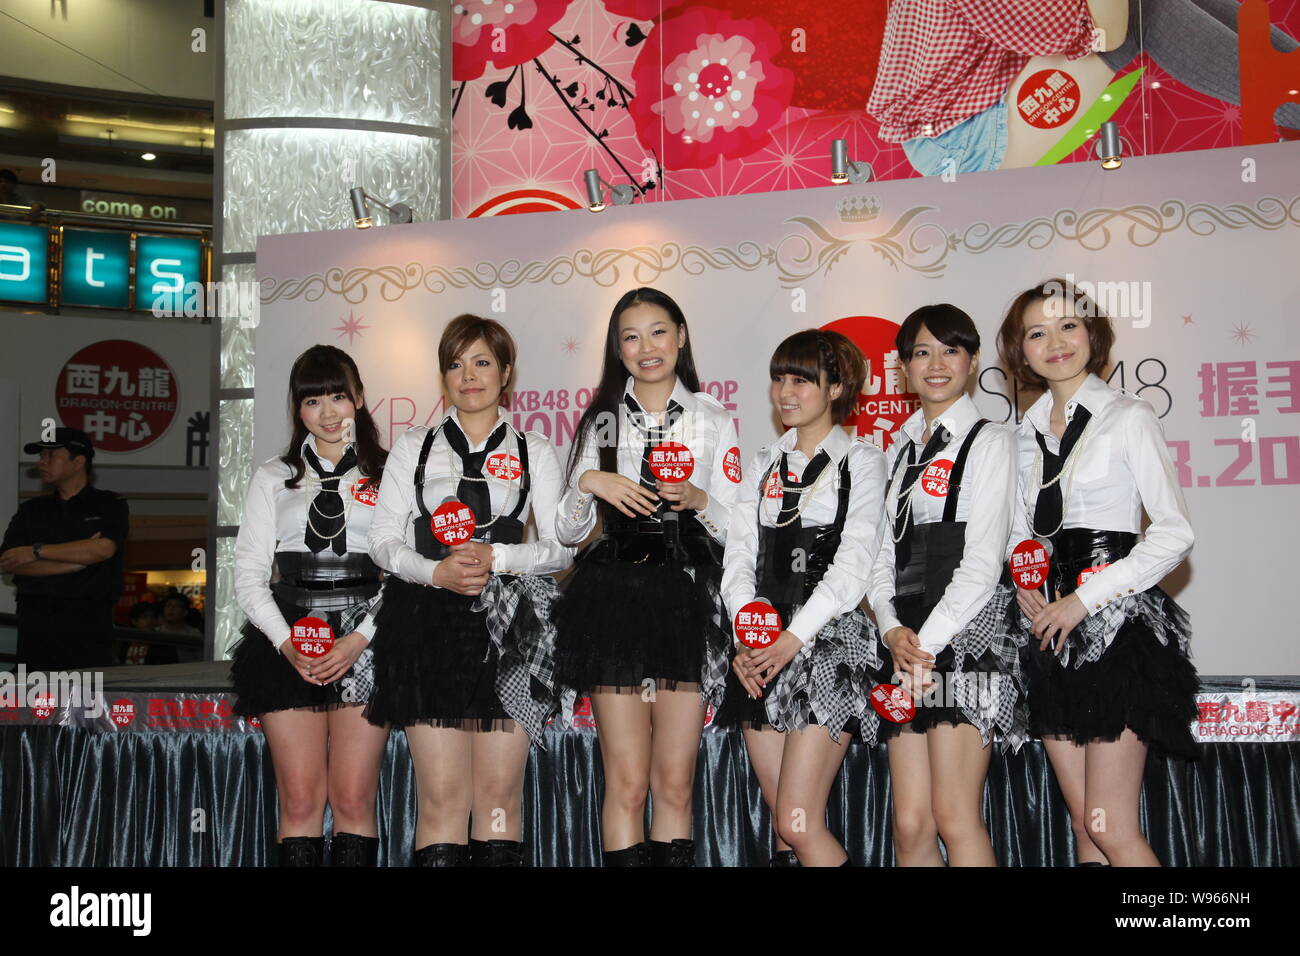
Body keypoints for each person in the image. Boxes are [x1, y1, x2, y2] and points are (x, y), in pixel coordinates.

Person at [998, 278, 1197, 867]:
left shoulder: (1127, 416)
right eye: (1037, 332)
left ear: (1092, 335)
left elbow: (1175, 532)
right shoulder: (1022, 436)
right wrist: (1026, 580)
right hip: (1047, 632)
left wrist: (1087, 598)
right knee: (1086, 827)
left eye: (1068, 325)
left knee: (1110, 825)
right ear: (1020, 350)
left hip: (1116, 624)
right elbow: (1019, 531)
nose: (1055, 342)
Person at [364, 314, 572, 867]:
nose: (469, 375)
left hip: (512, 628)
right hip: (424, 623)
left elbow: (560, 548)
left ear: (506, 372)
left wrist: (497, 557)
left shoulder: (536, 448)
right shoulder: (414, 446)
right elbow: (381, 541)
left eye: (482, 362)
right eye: (455, 364)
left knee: (500, 799)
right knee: (441, 799)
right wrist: (434, 572)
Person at [553, 286, 740, 867]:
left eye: (658, 331)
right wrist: (589, 485)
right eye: (630, 337)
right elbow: (563, 532)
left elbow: (740, 529)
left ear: (680, 336)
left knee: (675, 784)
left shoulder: (712, 419)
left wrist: (700, 498)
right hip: (614, 598)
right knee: (627, 783)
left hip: (686, 597)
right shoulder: (601, 421)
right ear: (617, 348)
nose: (646, 347)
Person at [714, 329, 886, 867]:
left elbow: (853, 564)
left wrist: (792, 638)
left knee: (798, 816)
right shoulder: (764, 462)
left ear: (836, 388)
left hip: (825, 641)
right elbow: (739, 558)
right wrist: (749, 632)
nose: (785, 392)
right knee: (783, 829)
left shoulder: (863, 460)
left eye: (803, 380)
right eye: (779, 379)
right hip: (760, 645)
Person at [866, 305, 1026, 868]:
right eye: (921, 353)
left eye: (950, 350)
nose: (936, 365)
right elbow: (878, 554)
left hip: (964, 640)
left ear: (973, 360)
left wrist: (923, 644)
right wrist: (891, 630)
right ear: (903, 366)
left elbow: (983, 564)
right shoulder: (898, 447)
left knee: (955, 814)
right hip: (904, 638)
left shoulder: (991, 442)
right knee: (910, 825)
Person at [230, 345, 390, 867]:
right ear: (297, 410)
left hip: (368, 638)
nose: (326, 412)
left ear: (360, 399)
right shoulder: (272, 476)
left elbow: (409, 574)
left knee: (351, 800)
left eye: (338, 396)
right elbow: (251, 577)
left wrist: (359, 638)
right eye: (312, 400)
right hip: (286, 638)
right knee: (298, 800)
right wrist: (286, 644)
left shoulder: (392, 474)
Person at [0, 428, 128, 669]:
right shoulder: (31, 510)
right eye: (41, 456)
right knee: (35, 703)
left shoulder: (110, 504)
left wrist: (35, 552)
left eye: (50, 456)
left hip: (88, 626)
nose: (41, 462)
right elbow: (8, 561)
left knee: (85, 701)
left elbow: (102, 550)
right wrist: (74, 563)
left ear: (78, 461)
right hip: (35, 625)